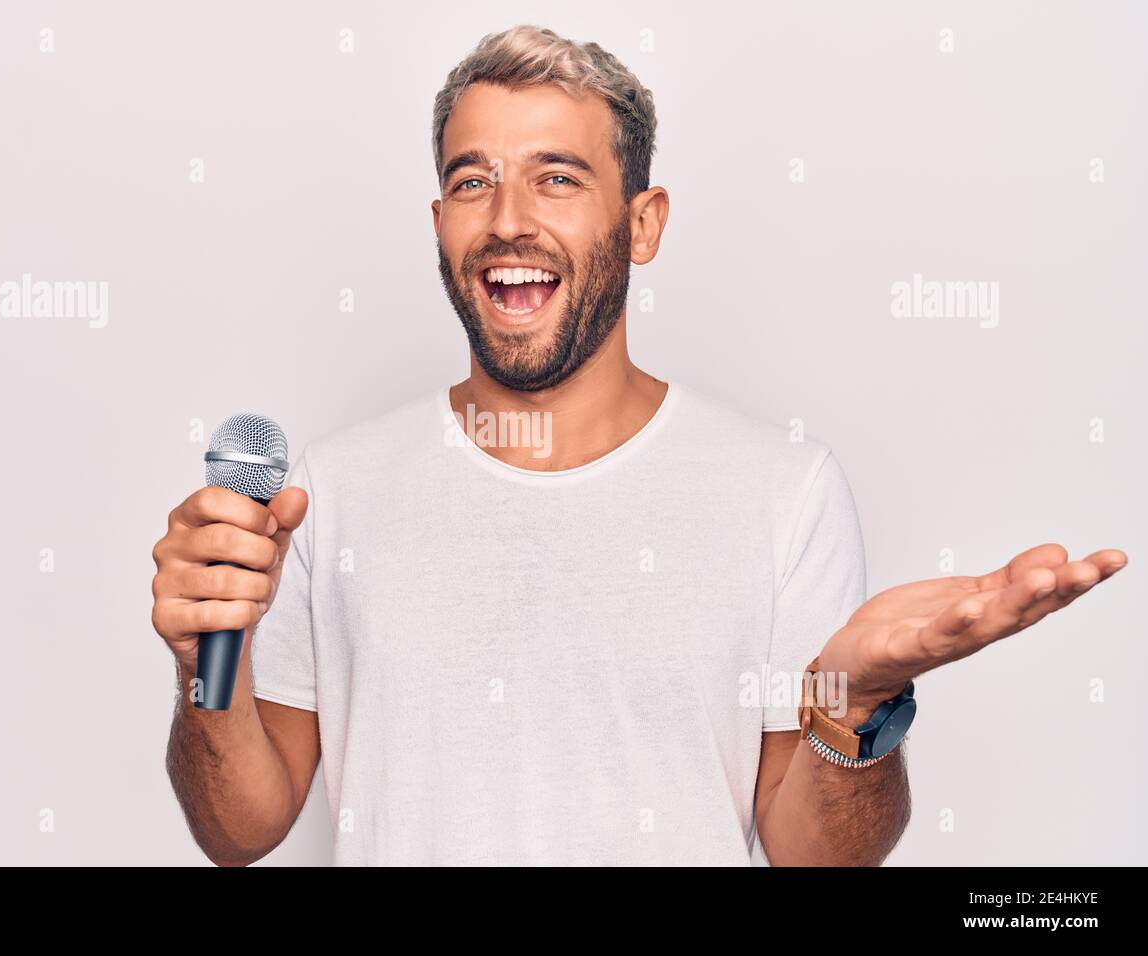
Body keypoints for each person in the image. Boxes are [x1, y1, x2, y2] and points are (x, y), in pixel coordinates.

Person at [150, 25, 1127, 866]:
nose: (506, 220)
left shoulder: (782, 490)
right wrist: (203, 663)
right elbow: (238, 829)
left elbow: (814, 854)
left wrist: (852, 703)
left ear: (642, 221)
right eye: (470, 180)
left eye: (556, 178)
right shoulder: (326, 491)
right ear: (438, 222)